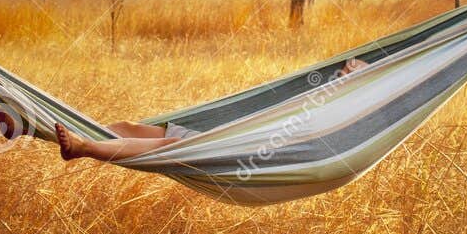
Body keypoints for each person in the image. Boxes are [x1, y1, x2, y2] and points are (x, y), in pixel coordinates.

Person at [51, 56, 371, 164]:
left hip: (245, 156)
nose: (339, 75)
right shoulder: (322, 99)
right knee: (128, 126)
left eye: (347, 75)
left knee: (172, 147)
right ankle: (32, 122)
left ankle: (86, 148)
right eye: (341, 72)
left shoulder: (341, 117)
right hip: (225, 137)